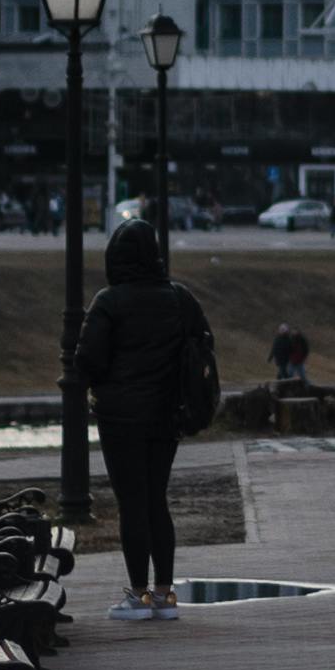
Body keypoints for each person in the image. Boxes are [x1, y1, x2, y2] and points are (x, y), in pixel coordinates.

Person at [72, 221, 219, 621]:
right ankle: (165, 594)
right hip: (167, 415)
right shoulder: (179, 298)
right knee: (157, 499)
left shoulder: (109, 302)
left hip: (120, 419)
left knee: (132, 503)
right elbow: (203, 344)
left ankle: (138, 595)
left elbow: (89, 360)